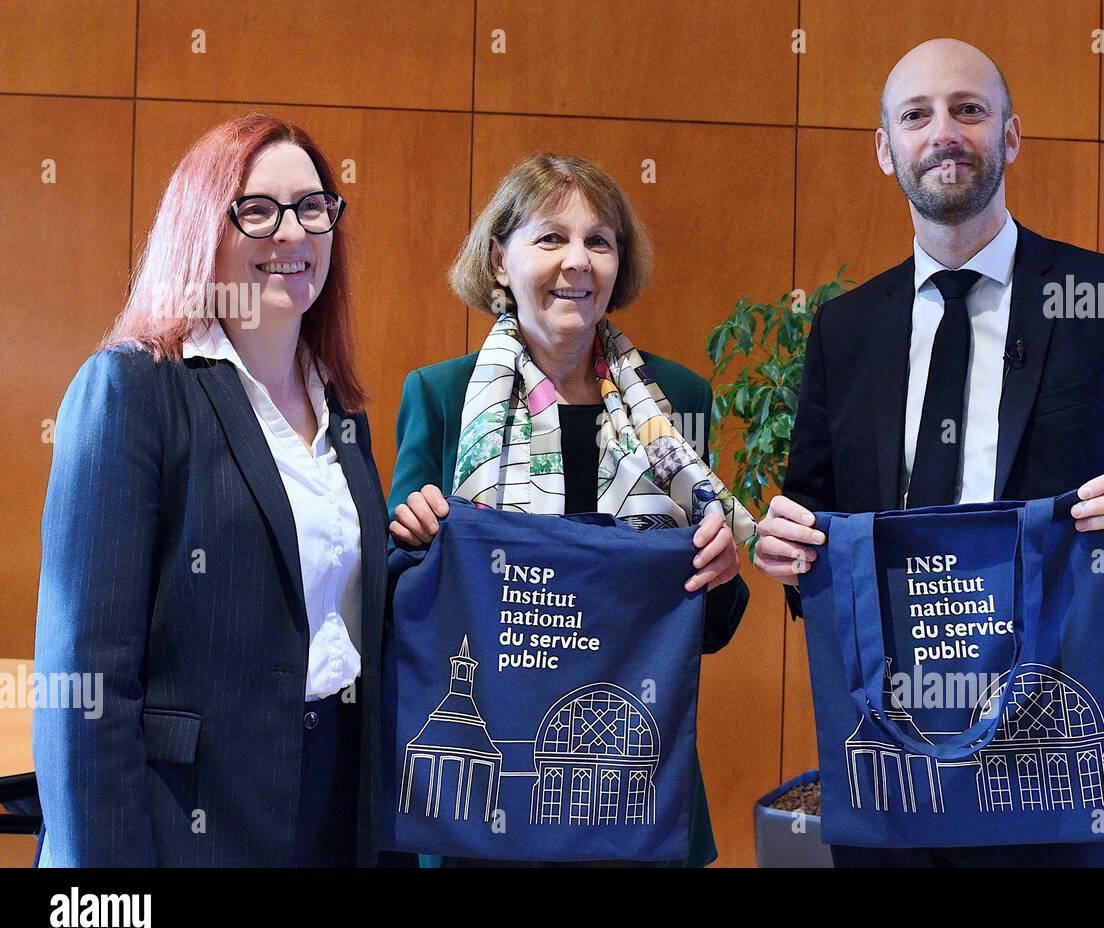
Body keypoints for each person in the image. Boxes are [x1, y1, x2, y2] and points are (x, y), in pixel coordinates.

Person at [754, 39, 1104, 867]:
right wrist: (784, 548)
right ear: (885, 149)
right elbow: (809, 513)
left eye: (969, 110)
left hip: (1056, 730)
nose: (944, 132)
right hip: (889, 735)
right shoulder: (845, 329)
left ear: (1011, 135)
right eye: (917, 115)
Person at [33, 113, 392, 867]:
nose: (292, 232)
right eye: (258, 209)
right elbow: (82, 683)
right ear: (204, 226)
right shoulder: (133, 389)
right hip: (185, 825)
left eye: (313, 207)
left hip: (332, 811)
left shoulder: (344, 412)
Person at [388, 152, 754, 867]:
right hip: (483, 810)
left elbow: (708, 626)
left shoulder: (679, 400)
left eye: (600, 240)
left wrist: (719, 565)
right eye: (550, 237)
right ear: (499, 259)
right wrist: (411, 538)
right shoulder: (440, 395)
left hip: (637, 793)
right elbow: (403, 602)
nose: (577, 261)